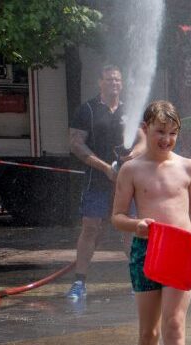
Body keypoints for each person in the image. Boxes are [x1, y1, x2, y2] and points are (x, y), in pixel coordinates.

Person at [110, 100, 191, 345]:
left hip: (180, 250)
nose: (166, 139)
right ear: (146, 129)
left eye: (172, 133)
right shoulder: (132, 170)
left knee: (174, 326)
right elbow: (117, 217)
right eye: (160, 132)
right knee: (148, 331)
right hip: (146, 250)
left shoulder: (190, 168)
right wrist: (136, 225)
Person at [66, 64, 144, 301]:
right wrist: (104, 168)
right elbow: (76, 144)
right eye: (109, 80)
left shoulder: (130, 111)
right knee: (91, 227)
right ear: (100, 82)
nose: (114, 84)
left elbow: (144, 141)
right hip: (96, 180)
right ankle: (79, 282)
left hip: (127, 182)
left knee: (132, 229)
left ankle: (137, 282)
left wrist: (133, 155)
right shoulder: (87, 110)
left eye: (118, 80)